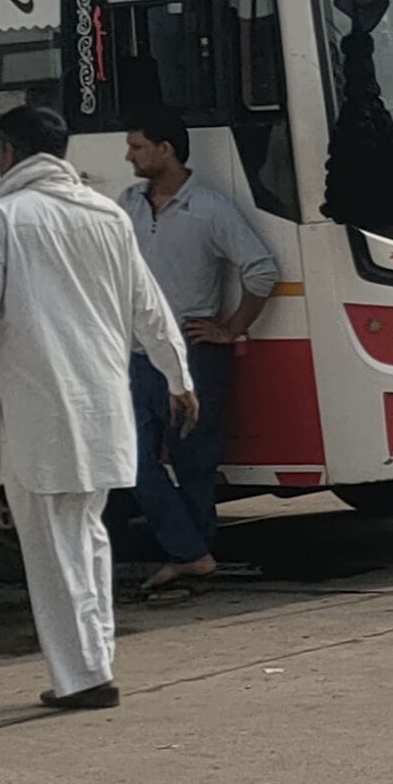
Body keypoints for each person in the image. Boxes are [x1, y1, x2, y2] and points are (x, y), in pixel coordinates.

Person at [0, 106, 192, 712]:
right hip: (103, 408)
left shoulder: (0, 217)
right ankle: (95, 661)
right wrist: (179, 377)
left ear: (9, 153)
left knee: (54, 551)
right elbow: (149, 308)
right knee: (88, 538)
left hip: (42, 412)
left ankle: (83, 677)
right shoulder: (108, 215)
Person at [116, 113, 285, 598]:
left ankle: (190, 557)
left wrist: (230, 329)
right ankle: (191, 552)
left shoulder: (209, 207)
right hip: (136, 353)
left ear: (166, 149)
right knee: (133, 460)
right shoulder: (127, 204)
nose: (129, 156)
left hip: (193, 354)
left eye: (137, 146)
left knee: (194, 464)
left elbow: (261, 270)